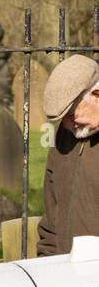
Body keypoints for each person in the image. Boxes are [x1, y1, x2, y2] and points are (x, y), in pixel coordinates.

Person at [37, 54, 99, 257]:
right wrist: (47, 263)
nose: (68, 125)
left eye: (72, 116)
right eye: (62, 120)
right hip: (67, 273)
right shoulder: (65, 135)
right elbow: (52, 217)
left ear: (97, 94)